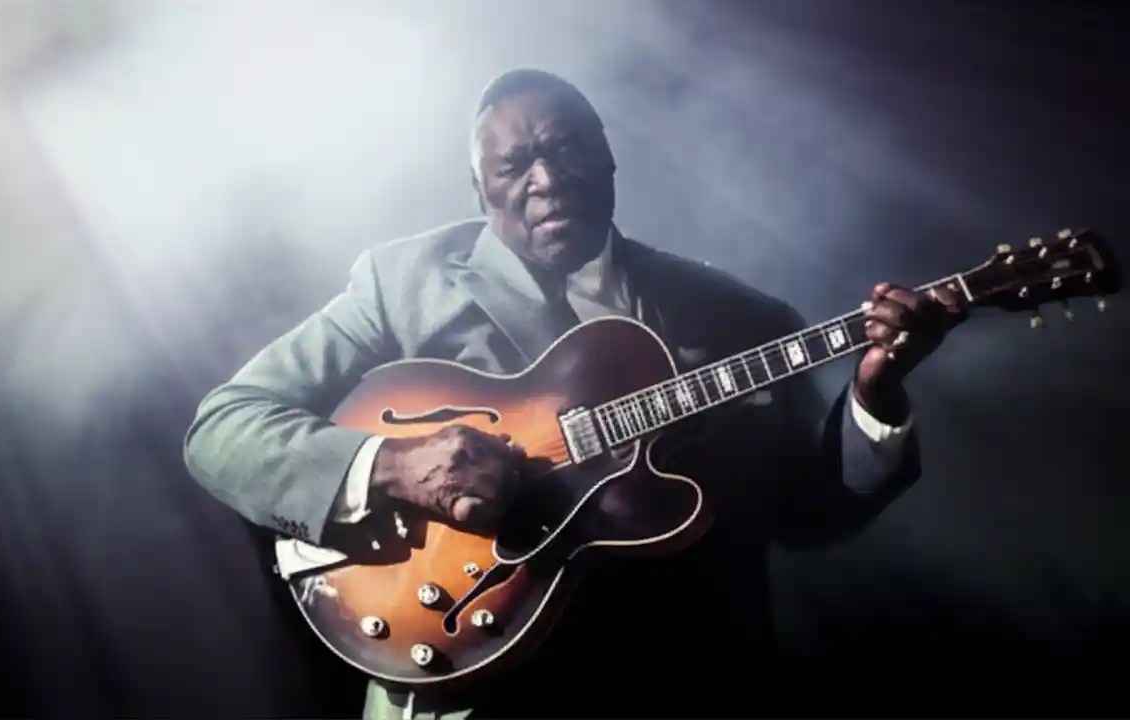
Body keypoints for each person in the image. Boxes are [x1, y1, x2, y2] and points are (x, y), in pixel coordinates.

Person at [183, 68, 967, 718]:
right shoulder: (400, 285)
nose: (547, 181)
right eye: (515, 164)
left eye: (566, 152)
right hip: (471, 682)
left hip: (685, 683)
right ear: (477, 187)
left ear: (609, 160)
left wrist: (876, 396)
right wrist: (390, 466)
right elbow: (223, 428)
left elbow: (811, 515)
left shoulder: (738, 317)